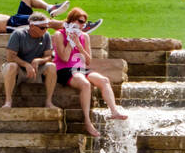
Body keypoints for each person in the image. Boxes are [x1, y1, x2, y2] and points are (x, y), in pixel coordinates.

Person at [51, 7, 128, 137]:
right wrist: (70, 42)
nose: (82, 26)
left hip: (81, 69)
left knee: (104, 80)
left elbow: (88, 61)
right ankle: (87, 121)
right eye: (80, 22)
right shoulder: (59, 34)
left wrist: (79, 46)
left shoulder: (84, 36)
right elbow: (64, 58)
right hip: (64, 70)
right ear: (71, 20)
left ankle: (114, 111)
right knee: (85, 84)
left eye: (84, 23)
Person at [1, 15, 57, 109]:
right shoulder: (18, 34)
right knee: (11, 66)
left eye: (47, 27)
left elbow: (49, 57)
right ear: (32, 26)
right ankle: (8, 101)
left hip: (36, 70)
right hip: (19, 70)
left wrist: (39, 60)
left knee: (51, 66)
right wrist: (26, 64)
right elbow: (10, 57)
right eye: (42, 28)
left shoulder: (46, 36)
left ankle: (49, 102)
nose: (45, 30)